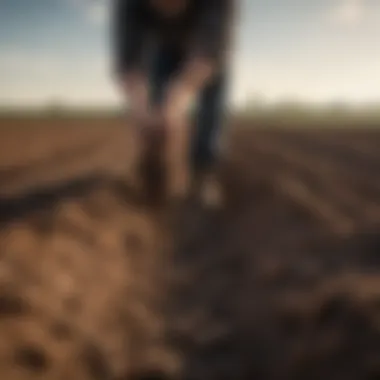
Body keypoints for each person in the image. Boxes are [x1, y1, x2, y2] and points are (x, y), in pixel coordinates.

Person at [112, 0, 235, 207]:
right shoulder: (130, 5)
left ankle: (203, 172)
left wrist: (177, 102)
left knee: (213, 93)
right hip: (165, 47)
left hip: (206, 52)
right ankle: (155, 173)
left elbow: (210, 55)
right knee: (157, 106)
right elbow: (129, 62)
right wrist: (142, 110)